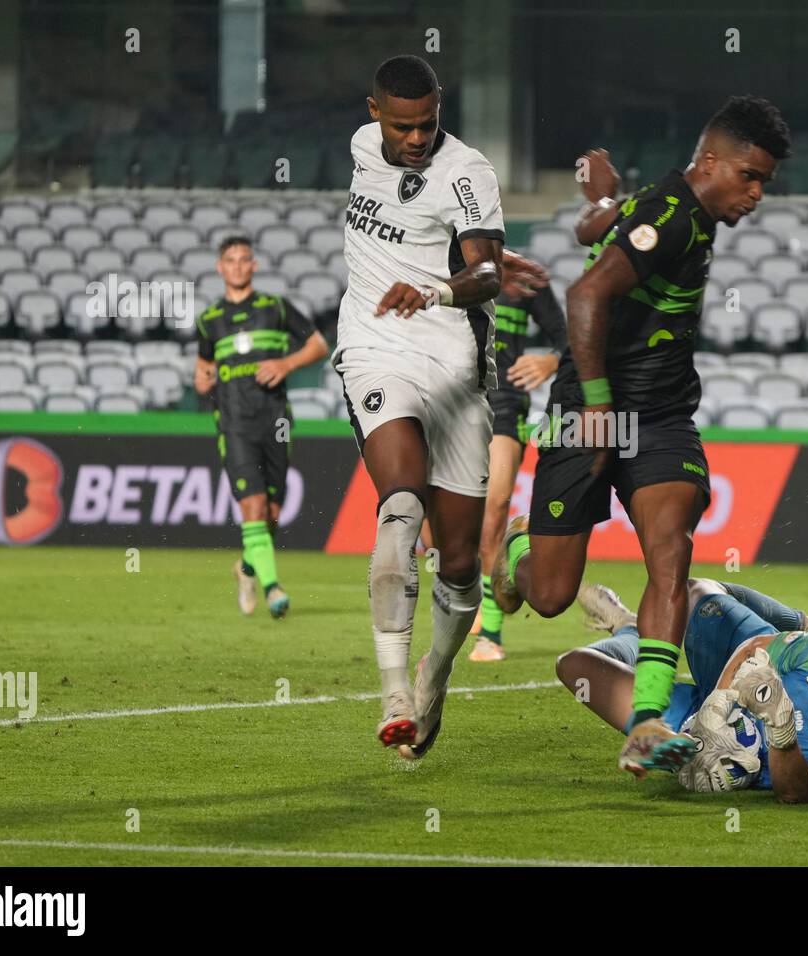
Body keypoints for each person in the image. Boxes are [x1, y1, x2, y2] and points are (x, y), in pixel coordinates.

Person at [491, 96, 792, 776]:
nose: (756, 193)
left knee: (671, 550)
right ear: (709, 162)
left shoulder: (681, 212)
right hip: (590, 407)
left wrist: (603, 201)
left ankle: (647, 719)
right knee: (549, 595)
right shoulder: (675, 218)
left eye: (765, 181)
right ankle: (514, 554)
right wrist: (597, 404)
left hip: (659, 417)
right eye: (749, 175)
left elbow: (602, 232)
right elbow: (586, 295)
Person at [334, 53, 539, 760]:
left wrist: (436, 291)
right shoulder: (361, 150)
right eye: (403, 126)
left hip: (454, 360)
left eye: (428, 124)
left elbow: (488, 270)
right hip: (374, 347)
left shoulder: (467, 171)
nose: (417, 138)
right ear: (374, 114)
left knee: (458, 561)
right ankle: (393, 692)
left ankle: (434, 679)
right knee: (400, 505)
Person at [558, 580, 808, 800]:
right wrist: (717, 707)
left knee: (574, 667)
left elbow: (798, 793)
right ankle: (796, 621)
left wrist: (782, 732)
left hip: (704, 733)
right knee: (693, 592)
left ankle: (629, 631)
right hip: (731, 676)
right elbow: (755, 647)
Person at [194, 235, 328, 619]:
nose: (237, 266)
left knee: (269, 513)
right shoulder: (208, 321)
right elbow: (202, 373)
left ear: (254, 265)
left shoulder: (276, 308)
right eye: (230, 260)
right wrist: (202, 382)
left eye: (244, 259)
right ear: (220, 268)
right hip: (233, 423)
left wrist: (286, 365)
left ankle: (247, 568)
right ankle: (273, 588)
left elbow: (319, 346)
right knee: (251, 505)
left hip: (276, 420)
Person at [468, 283, 567, 662]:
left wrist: (551, 361)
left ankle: (490, 634)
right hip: (452, 398)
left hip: (504, 400)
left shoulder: (525, 277)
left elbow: (567, 339)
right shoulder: (443, 266)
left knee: (494, 508)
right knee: (437, 525)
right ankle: (475, 589)